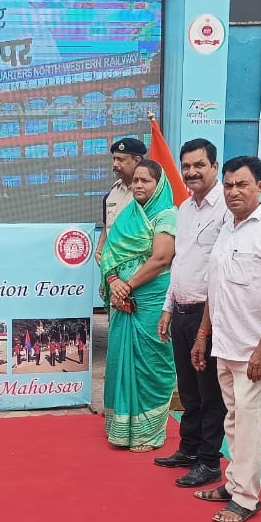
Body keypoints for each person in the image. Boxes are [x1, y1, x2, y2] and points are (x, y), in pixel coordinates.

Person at [192, 156, 261, 522]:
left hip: (254, 348)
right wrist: (203, 334)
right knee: (233, 420)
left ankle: (247, 499)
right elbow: (213, 288)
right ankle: (235, 482)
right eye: (230, 185)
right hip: (225, 343)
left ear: (260, 187)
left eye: (243, 185)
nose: (234, 192)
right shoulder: (227, 229)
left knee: (250, 423)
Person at [156, 138, 227, 489]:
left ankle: (210, 461)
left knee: (209, 390)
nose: (191, 172)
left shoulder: (227, 209)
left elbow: (219, 272)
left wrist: (204, 327)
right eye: (186, 166)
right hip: (181, 309)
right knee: (188, 388)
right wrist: (168, 308)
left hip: (208, 314)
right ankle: (189, 449)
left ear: (215, 166)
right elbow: (179, 262)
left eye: (199, 165)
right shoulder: (184, 209)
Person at [100, 158, 178, 451]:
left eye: (146, 181)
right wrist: (113, 283)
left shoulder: (167, 215)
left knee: (151, 362)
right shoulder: (126, 215)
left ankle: (147, 432)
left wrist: (128, 286)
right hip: (122, 301)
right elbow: (108, 253)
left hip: (151, 299)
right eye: (136, 181)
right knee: (121, 360)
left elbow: (161, 259)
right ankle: (120, 428)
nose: (139, 185)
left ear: (159, 185)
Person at [94, 136, 147, 263]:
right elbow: (108, 225)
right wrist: (99, 250)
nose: (115, 164)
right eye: (114, 159)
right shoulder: (113, 192)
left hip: (137, 264)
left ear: (137, 160)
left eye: (121, 160)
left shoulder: (148, 192)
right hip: (112, 263)